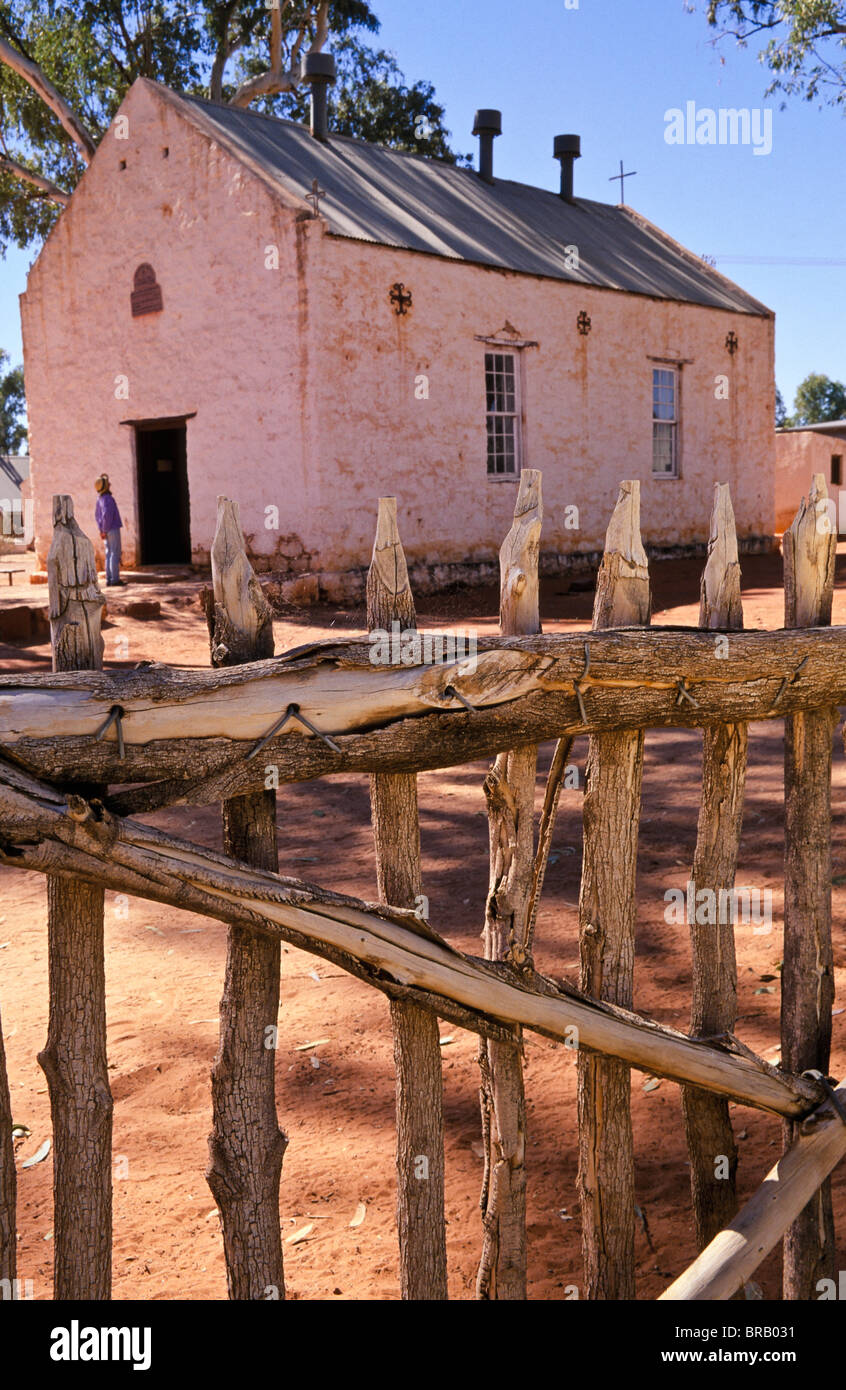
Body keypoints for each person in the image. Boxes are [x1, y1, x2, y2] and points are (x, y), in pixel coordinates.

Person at [94, 474, 124, 587]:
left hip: (105, 530)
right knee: (114, 553)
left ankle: (109, 578)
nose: (110, 484)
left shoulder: (100, 499)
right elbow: (107, 515)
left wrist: (101, 530)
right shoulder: (108, 499)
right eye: (108, 483)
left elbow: (97, 516)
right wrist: (105, 530)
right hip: (112, 529)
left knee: (109, 553)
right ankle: (115, 579)